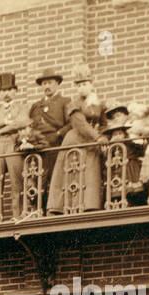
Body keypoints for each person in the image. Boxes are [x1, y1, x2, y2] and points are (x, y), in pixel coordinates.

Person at [46, 66, 105, 214]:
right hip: (76, 139)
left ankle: (90, 204)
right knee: (70, 171)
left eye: (84, 84)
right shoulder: (73, 104)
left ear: (91, 84)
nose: (82, 88)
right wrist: (97, 137)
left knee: (91, 172)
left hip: (92, 142)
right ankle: (59, 206)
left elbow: (104, 123)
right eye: (79, 85)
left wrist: (104, 135)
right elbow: (80, 123)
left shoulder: (99, 103)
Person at [27, 68, 73, 205]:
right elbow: (30, 125)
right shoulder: (36, 106)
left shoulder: (65, 101)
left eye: (50, 83)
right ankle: (38, 209)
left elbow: (71, 123)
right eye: (44, 83)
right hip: (39, 146)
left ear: (57, 84)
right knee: (39, 179)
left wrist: (58, 134)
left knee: (56, 178)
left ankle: (56, 209)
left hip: (56, 145)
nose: (47, 86)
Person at [0, 72, 27, 218]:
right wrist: (6, 122)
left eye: (9, 90)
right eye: (3, 91)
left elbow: (22, 122)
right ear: (0, 93)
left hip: (13, 143)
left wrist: (2, 129)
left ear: (15, 91)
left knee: (17, 180)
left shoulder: (22, 107)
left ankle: (19, 214)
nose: (6, 93)